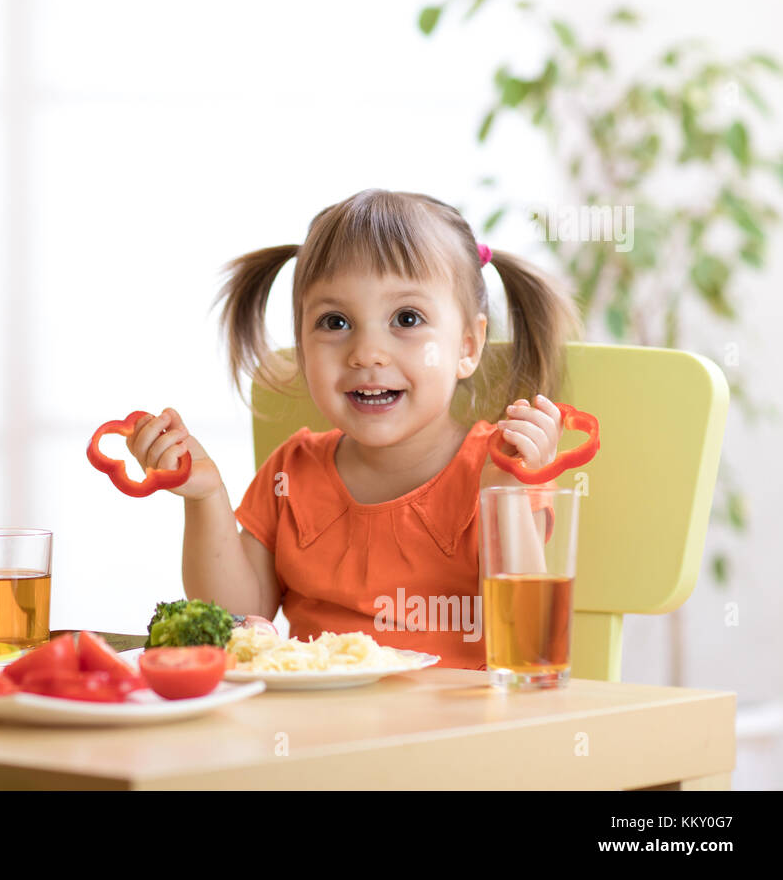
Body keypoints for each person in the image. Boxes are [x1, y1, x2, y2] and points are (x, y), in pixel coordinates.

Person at [125, 189, 582, 668]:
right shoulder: (292, 472)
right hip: (318, 734)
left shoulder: (500, 470)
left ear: (467, 346)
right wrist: (206, 497)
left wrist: (504, 500)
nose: (366, 352)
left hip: (456, 734)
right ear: (301, 346)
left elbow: (529, 646)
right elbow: (238, 617)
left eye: (406, 318)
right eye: (335, 321)